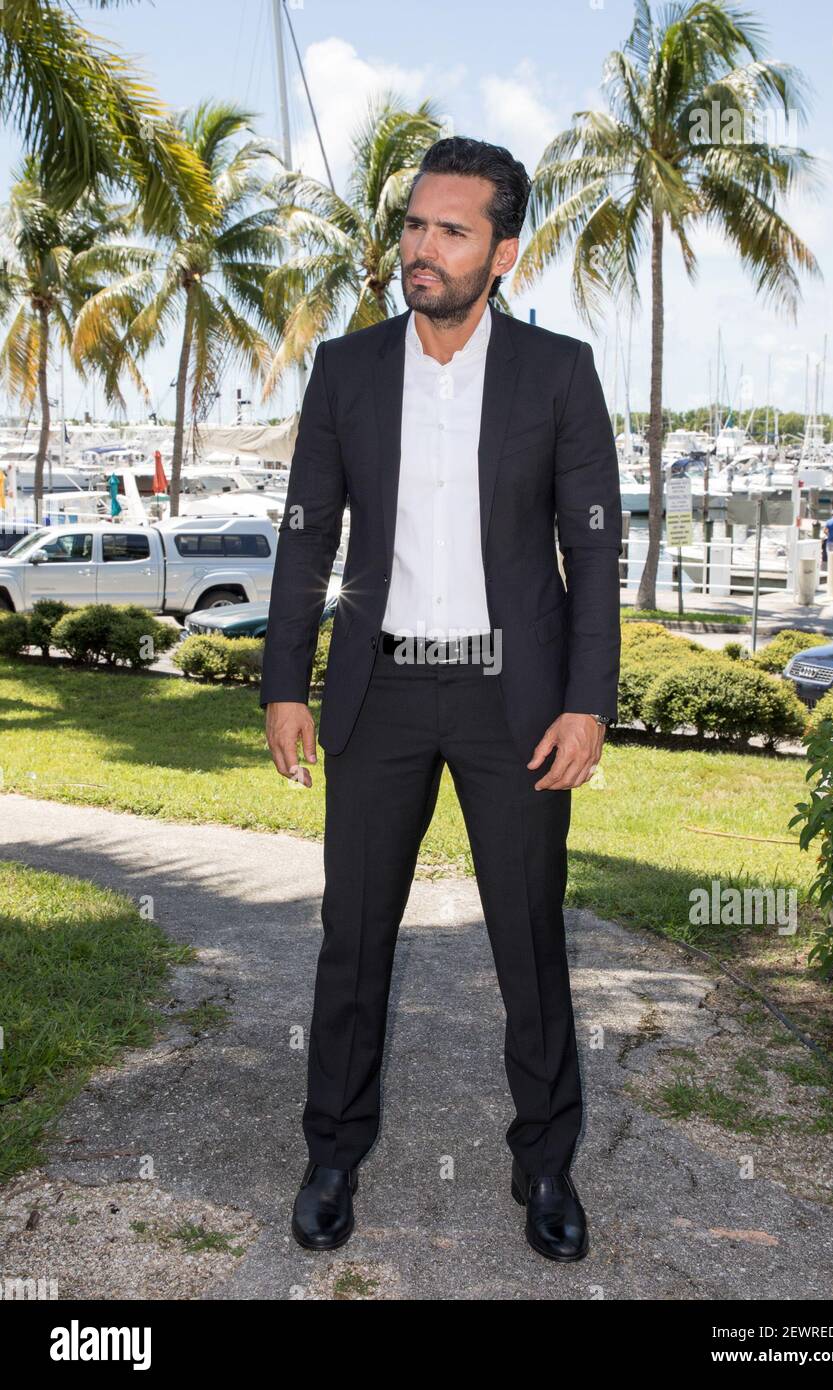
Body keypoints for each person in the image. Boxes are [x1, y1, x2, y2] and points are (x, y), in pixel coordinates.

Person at [260, 136, 622, 1264]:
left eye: (451, 230)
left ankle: (545, 1162)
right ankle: (332, 1152)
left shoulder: (557, 372)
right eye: (415, 224)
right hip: (380, 689)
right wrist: (283, 682)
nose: (422, 247)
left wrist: (587, 700)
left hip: (511, 702)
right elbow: (306, 535)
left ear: (501, 252)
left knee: (528, 940)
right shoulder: (347, 366)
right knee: (351, 938)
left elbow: (592, 552)